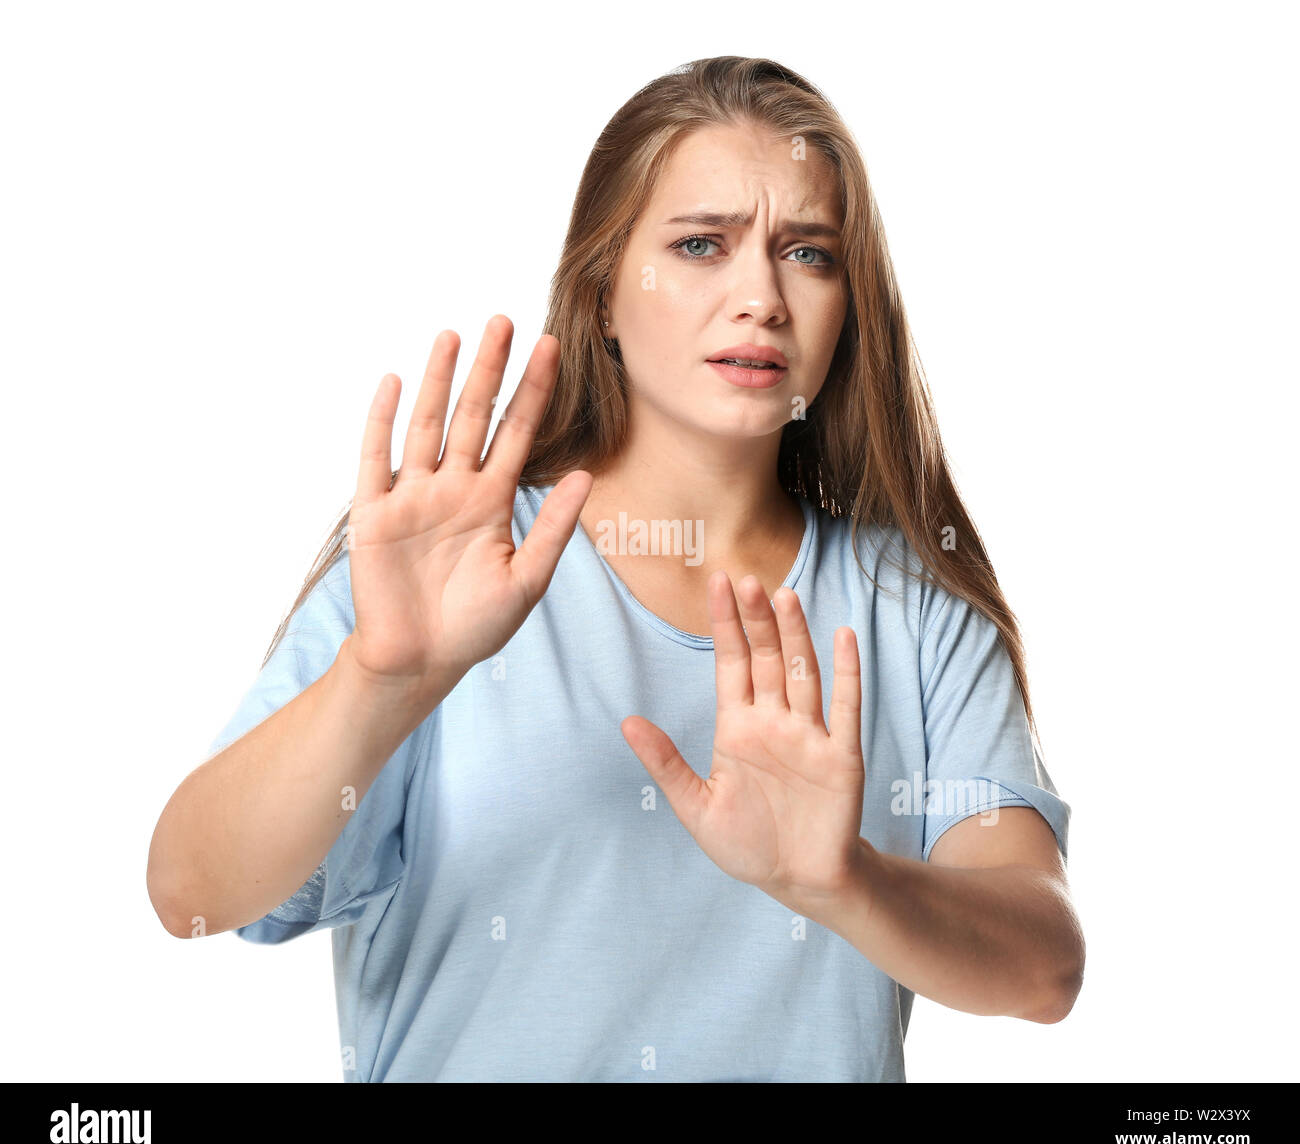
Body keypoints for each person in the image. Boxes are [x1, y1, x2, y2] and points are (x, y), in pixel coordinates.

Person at [147, 55, 1084, 1082]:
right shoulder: (456, 569)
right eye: (699, 246)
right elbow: (190, 895)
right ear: (602, 296)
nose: (760, 297)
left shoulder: (915, 607)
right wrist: (382, 680)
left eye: (807, 254)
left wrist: (843, 879)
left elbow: (1043, 967)